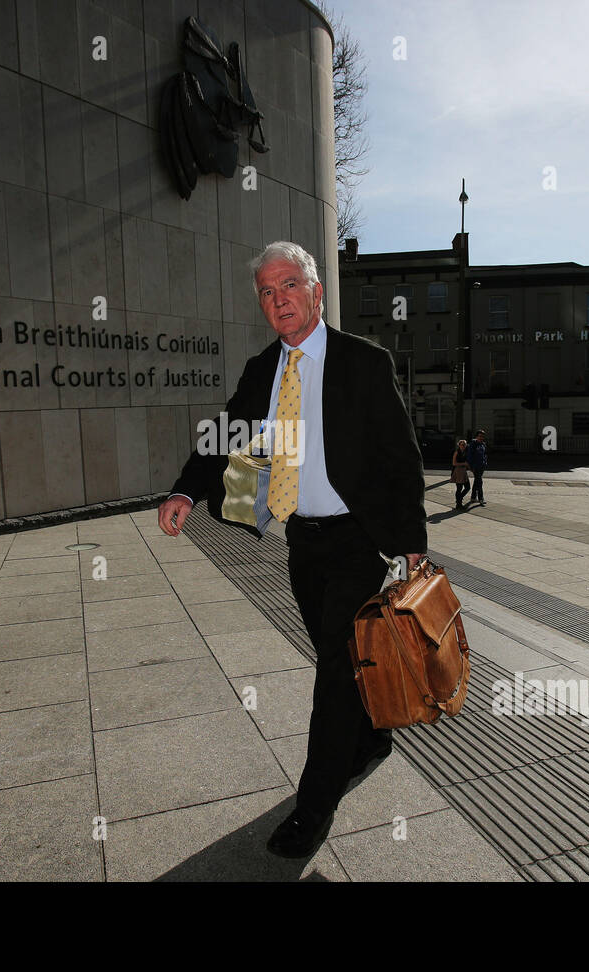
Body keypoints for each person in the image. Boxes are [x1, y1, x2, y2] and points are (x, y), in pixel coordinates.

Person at [158, 240, 426, 859]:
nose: (279, 299)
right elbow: (224, 435)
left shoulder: (363, 362)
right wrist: (185, 491)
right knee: (341, 659)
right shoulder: (263, 370)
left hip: (360, 541)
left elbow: (401, 460)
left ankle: (313, 808)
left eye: (289, 286)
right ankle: (371, 737)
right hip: (303, 540)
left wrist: (411, 546)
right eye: (267, 292)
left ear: (315, 291)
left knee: (333, 674)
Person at [467, 430, 487, 506]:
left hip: (482, 466)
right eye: (480, 436)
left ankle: (473, 497)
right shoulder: (473, 444)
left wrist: (485, 462)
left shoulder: (483, 444)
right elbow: (469, 456)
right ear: (476, 436)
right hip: (475, 467)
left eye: (482, 436)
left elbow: (484, 454)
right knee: (480, 482)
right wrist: (471, 467)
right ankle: (481, 499)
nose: (481, 437)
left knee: (476, 481)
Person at [451, 438, 470, 508]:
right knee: (459, 488)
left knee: (467, 487)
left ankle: (459, 499)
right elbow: (454, 463)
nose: (463, 446)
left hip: (464, 471)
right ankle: (458, 504)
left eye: (464, 444)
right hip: (458, 471)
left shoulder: (466, 452)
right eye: (462, 445)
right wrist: (463, 464)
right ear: (459, 445)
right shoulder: (456, 452)